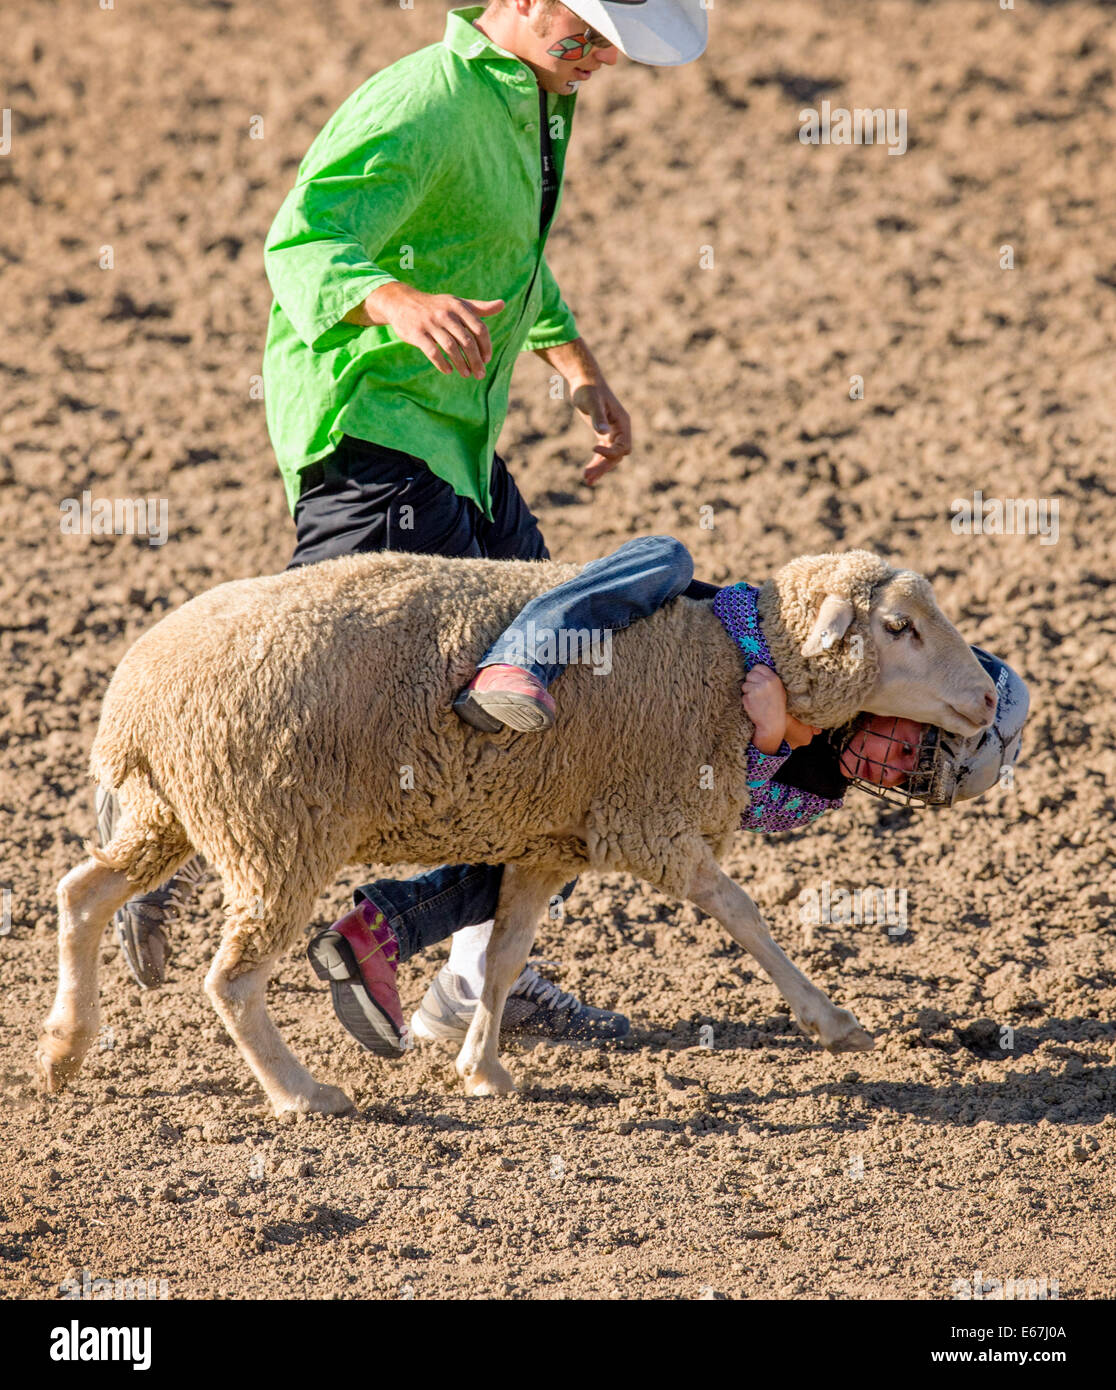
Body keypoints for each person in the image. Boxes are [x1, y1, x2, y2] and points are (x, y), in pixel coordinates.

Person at [98, 0, 711, 1042]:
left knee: (549, 684)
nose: (604, 57)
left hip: (452, 445)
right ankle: (151, 831)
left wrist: (575, 366)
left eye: (617, 44)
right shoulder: (428, 99)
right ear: (520, 0)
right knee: (332, 694)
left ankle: (471, 983)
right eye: (590, 30)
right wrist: (393, 302)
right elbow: (302, 238)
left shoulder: (532, 103)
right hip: (372, 431)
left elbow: (506, 253)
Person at [307, 564, 970, 1058]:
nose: (891, 764)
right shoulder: (805, 662)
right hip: (611, 717)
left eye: (907, 774)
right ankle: (453, 1007)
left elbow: (736, 808)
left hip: (626, 786)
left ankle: (413, 958)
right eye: (906, 748)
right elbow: (724, 614)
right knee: (664, 554)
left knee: (529, 857)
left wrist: (772, 738)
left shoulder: (817, 790)